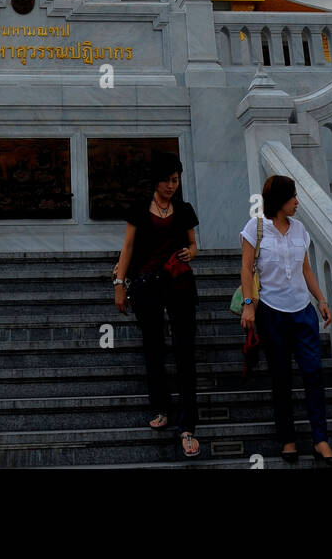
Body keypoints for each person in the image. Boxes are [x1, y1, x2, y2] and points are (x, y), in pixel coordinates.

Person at [240, 174, 332, 466]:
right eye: (292, 197)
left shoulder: (300, 230)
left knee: (313, 373)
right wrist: (249, 305)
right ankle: (287, 439)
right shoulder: (255, 228)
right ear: (279, 200)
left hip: (302, 311)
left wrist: (321, 299)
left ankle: (320, 440)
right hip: (271, 312)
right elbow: (246, 269)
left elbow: (306, 269)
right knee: (281, 377)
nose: (297, 202)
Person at [113, 151, 201, 459]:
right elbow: (127, 247)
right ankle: (161, 407)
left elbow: (192, 243)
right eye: (166, 181)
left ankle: (188, 423)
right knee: (153, 347)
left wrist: (192, 252)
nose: (171, 186)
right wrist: (119, 285)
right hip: (147, 285)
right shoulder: (139, 209)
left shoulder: (184, 209)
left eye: (175, 180)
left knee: (184, 350)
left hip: (179, 283)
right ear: (156, 181)